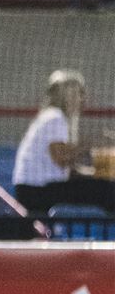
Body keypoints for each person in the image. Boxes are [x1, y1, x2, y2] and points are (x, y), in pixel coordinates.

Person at [13, 69, 115, 215]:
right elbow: (61, 159)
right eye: (78, 94)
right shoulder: (55, 117)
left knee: (104, 187)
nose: (82, 99)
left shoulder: (51, 117)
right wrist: (92, 144)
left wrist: (96, 174)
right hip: (36, 193)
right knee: (108, 191)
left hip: (35, 190)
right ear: (66, 95)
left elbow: (68, 170)